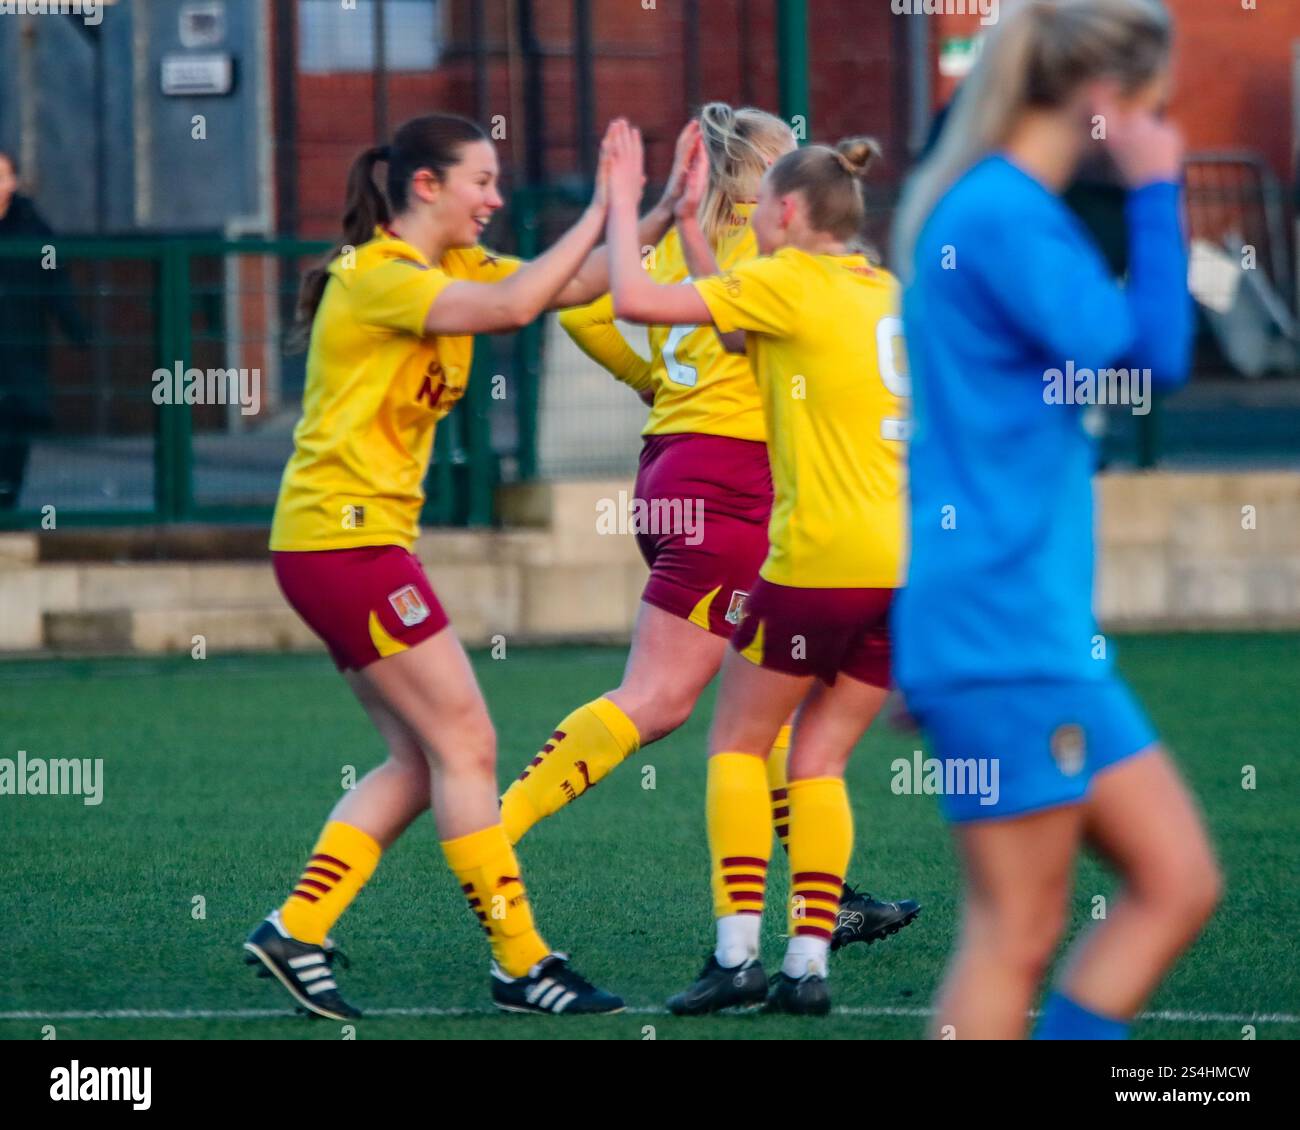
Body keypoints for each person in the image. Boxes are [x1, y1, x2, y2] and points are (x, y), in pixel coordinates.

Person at [244, 112, 697, 1018]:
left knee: (420, 760)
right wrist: (608, 200)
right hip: (345, 541)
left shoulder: (447, 265)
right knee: (468, 746)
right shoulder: (380, 277)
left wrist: (658, 211)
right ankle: (522, 962)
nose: (495, 199)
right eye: (482, 181)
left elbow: (580, 283)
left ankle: (296, 930)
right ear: (426, 187)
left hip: (349, 544)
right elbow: (518, 306)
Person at [499, 104, 920, 952]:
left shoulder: (688, 243)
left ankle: (822, 899)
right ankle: (489, 831)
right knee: (661, 700)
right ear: (774, 181)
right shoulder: (785, 262)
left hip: (672, 469)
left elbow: (586, 310)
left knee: (762, 701)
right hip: (736, 485)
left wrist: (653, 379)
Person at [892, 0, 1220, 1039]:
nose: (1157, 128)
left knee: (1175, 878)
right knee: (1013, 934)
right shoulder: (1001, 219)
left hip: (1015, 623)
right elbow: (1153, 352)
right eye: (1148, 110)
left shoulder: (999, 211)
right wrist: (1157, 186)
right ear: (1101, 101)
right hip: (1003, 624)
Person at [601, 120, 910, 1015]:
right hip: (899, 566)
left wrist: (633, 202)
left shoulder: (787, 280)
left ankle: (736, 955)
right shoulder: (878, 286)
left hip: (817, 558)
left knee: (737, 742)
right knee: (816, 761)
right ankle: (807, 967)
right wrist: (699, 240)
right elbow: (740, 332)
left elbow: (633, 295)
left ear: (783, 211)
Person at [0, 148, 90, 510]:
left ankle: (7, 500)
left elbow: (54, 280)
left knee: (15, 424)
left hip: (20, 344)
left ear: (14, 182)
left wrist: (76, 327)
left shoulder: (31, 226)